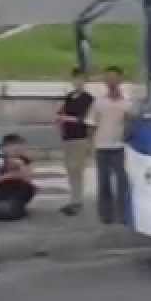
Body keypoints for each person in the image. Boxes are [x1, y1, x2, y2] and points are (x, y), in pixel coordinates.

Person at [87, 66, 132, 225]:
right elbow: (91, 124)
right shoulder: (98, 103)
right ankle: (106, 215)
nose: (111, 81)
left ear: (120, 80)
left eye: (114, 78)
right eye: (108, 78)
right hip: (102, 147)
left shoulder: (127, 103)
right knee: (104, 182)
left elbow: (131, 124)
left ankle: (123, 214)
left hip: (120, 148)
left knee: (122, 182)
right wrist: (89, 145)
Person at [56, 68, 94, 216]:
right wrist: (60, 121)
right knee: (70, 170)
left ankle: (77, 202)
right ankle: (73, 200)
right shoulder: (69, 97)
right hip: (68, 137)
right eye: (76, 79)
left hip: (80, 137)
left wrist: (66, 119)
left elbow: (85, 119)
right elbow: (61, 112)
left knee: (77, 169)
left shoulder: (88, 98)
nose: (78, 82)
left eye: (81, 79)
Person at [0, 134, 35, 221]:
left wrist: (21, 165)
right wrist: (11, 175)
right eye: (13, 148)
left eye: (20, 148)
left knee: (29, 188)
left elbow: (28, 179)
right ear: (3, 148)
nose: (16, 151)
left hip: (17, 190)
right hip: (0, 190)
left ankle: (16, 207)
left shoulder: (24, 160)